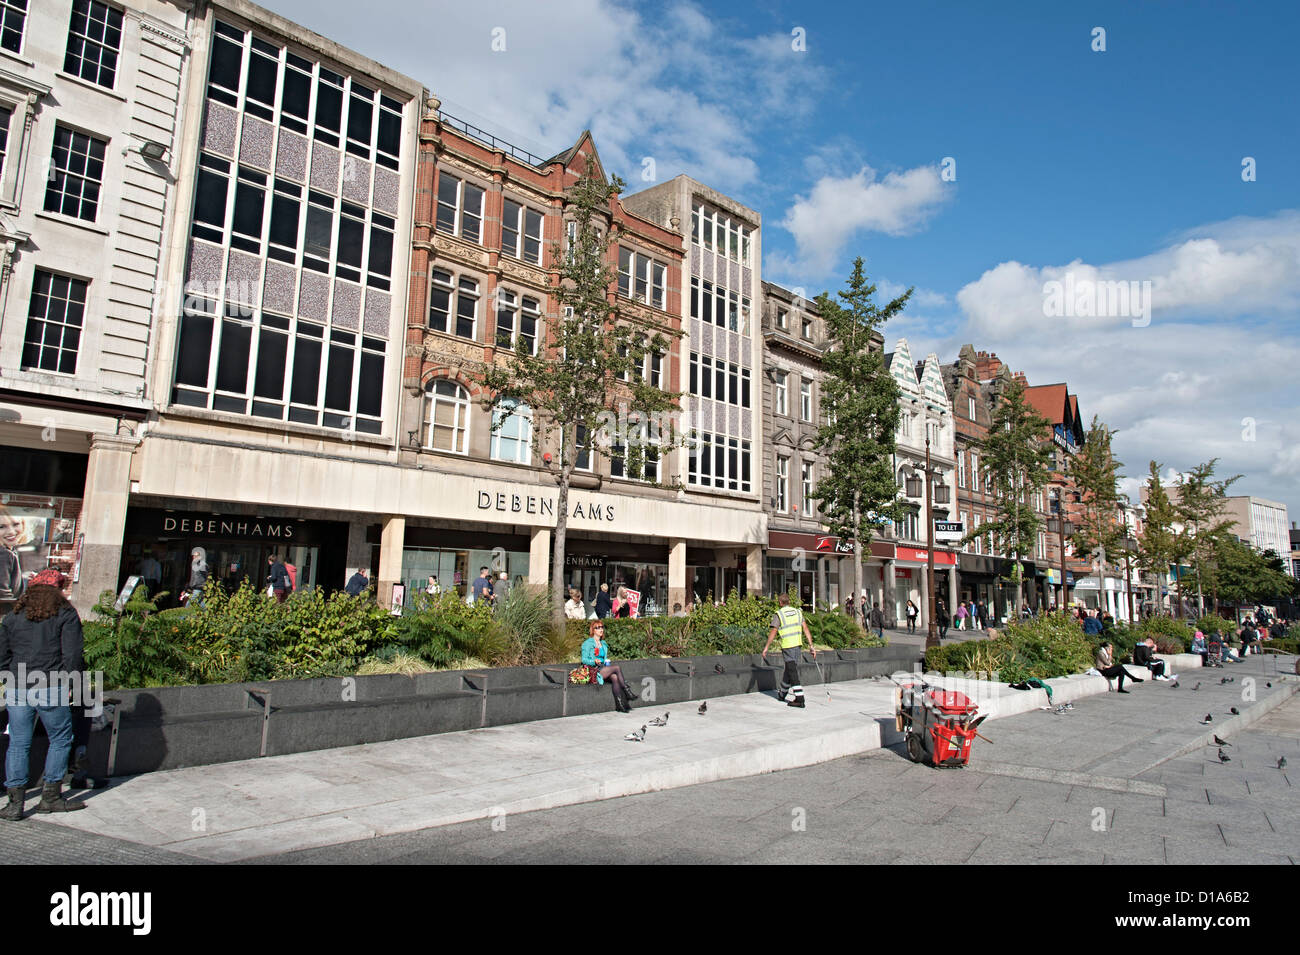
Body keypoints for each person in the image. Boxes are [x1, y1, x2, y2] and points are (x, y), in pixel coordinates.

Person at [0, 583, 88, 819]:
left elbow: (2, 655)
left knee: (18, 743)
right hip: (50, 684)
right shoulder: (65, 614)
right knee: (60, 738)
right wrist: (74, 684)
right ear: (56, 596)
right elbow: (72, 655)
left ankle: (14, 805)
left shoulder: (12, 617)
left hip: (17, 685)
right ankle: (50, 798)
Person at [761, 592, 816, 708]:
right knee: (789, 669)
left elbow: (773, 632)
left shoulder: (779, 614)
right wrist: (811, 646)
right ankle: (782, 694)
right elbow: (805, 628)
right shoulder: (798, 612)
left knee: (792, 671)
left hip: (788, 645)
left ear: (780, 603)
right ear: (789, 602)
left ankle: (800, 698)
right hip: (797, 645)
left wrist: (766, 647)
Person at [581, 620, 636, 713]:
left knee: (614, 677)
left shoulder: (603, 644)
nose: (601, 629)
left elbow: (603, 658)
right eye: (598, 628)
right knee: (617, 668)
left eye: (602, 627)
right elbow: (584, 660)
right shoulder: (587, 643)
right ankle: (627, 691)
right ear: (593, 630)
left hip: (603, 668)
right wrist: (593, 660)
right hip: (593, 670)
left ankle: (620, 705)